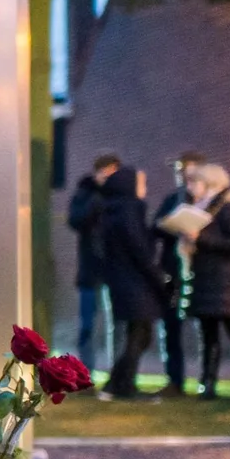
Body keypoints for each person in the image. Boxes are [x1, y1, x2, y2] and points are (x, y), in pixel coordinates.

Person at [172, 162, 230, 403]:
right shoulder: (202, 208)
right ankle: (207, 385)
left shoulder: (228, 208)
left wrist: (202, 238)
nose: (191, 187)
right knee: (208, 336)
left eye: (195, 182)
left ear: (209, 183)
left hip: (225, 283)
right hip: (205, 281)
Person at [95, 166, 168, 400]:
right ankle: (124, 385)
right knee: (140, 334)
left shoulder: (111, 211)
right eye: (141, 183)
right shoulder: (130, 210)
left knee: (137, 335)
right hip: (136, 283)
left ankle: (116, 383)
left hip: (121, 281)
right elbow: (140, 249)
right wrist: (158, 278)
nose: (144, 189)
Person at [150, 151, 206, 396]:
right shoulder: (173, 199)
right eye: (180, 171)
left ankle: (207, 381)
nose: (182, 175)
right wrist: (171, 226)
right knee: (170, 326)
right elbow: (156, 226)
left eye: (187, 170)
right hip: (172, 273)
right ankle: (175, 380)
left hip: (200, 272)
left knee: (205, 328)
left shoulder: (207, 201)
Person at [66, 153, 121, 376]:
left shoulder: (119, 197)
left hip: (114, 271)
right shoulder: (86, 194)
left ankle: (117, 370)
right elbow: (76, 220)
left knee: (115, 324)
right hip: (90, 270)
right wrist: (95, 204)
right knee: (88, 325)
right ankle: (86, 370)